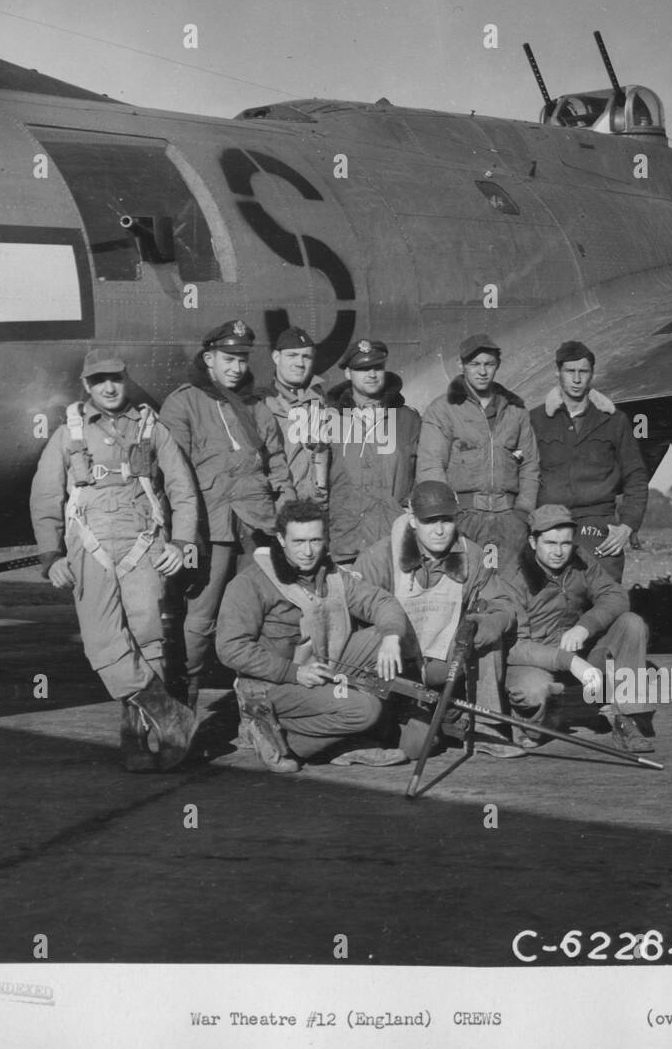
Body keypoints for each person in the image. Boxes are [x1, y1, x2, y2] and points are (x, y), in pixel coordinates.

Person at [29, 348, 200, 772]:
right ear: (86, 385)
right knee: (102, 643)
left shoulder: (149, 426)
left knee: (147, 640)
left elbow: (182, 488)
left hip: (144, 546)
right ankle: (169, 712)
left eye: (116, 379)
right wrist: (51, 556)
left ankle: (138, 736)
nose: (109, 387)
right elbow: (45, 497)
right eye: (99, 380)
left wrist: (180, 543)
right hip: (88, 548)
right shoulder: (69, 433)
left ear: (125, 380)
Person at [215, 500, 410, 773]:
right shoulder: (251, 583)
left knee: (385, 636)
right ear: (281, 539)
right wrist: (293, 672)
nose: (307, 552)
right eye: (298, 541)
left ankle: (323, 736)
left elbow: (382, 602)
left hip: (321, 671)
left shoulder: (330, 574)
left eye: (316, 541)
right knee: (365, 710)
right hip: (273, 686)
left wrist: (391, 638)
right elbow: (230, 648)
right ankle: (268, 730)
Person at [159, 320, 295, 706]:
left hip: (258, 526)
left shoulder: (257, 407)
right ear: (209, 359)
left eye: (242, 359)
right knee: (200, 618)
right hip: (210, 527)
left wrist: (283, 523)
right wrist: (183, 532)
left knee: (263, 614)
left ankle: (261, 704)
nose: (237, 367)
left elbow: (279, 469)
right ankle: (182, 699)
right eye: (228, 359)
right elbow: (172, 472)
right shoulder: (182, 403)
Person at [352, 481, 523, 759]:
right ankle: (417, 718)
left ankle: (488, 730)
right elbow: (355, 613)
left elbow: (501, 603)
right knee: (417, 747)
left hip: (448, 664)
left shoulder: (473, 554)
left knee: (490, 638)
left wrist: (487, 623)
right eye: (430, 521)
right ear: (412, 519)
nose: (440, 530)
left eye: (447, 519)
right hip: (397, 670)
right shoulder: (379, 556)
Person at [504, 505, 654, 754]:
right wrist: (569, 662)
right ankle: (539, 715)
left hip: (574, 647)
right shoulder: (513, 577)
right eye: (550, 543)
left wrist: (585, 627)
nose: (559, 552)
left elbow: (615, 596)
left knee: (631, 623)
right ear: (533, 541)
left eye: (565, 543)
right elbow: (515, 646)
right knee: (532, 697)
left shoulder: (580, 558)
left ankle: (625, 717)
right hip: (535, 657)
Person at [416, 334, 539, 578]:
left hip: (510, 521)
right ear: (461, 366)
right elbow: (431, 468)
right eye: (475, 364)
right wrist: (449, 517)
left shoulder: (515, 411)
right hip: (464, 519)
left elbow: (530, 466)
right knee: (465, 584)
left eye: (489, 364)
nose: (482, 371)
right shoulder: (443, 410)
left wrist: (523, 513)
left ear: (497, 366)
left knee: (511, 588)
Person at [529, 339, 649, 583]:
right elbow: (522, 475)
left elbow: (636, 476)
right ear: (557, 373)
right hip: (549, 523)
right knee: (547, 603)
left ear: (592, 374)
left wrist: (627, 526)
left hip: (597, 526)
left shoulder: (614, 421)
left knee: (605, 599)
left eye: (583, 372)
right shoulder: (536, 420)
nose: (576, 379)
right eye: (569, 371)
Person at [325, 338, 421, 563]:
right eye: (362, 369)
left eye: (377, 367)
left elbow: (422, 475)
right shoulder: (330, 418)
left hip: (392, 541)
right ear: (348, 373)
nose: (372, 374)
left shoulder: (408, 419)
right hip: (344, 541)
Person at [260, 325, 331, 505]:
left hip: (316, 505)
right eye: (292, 355)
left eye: (306, 357)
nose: (300, 363)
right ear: (277, 357)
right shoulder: (261, 402)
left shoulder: (321, 401)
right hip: (279, 505)